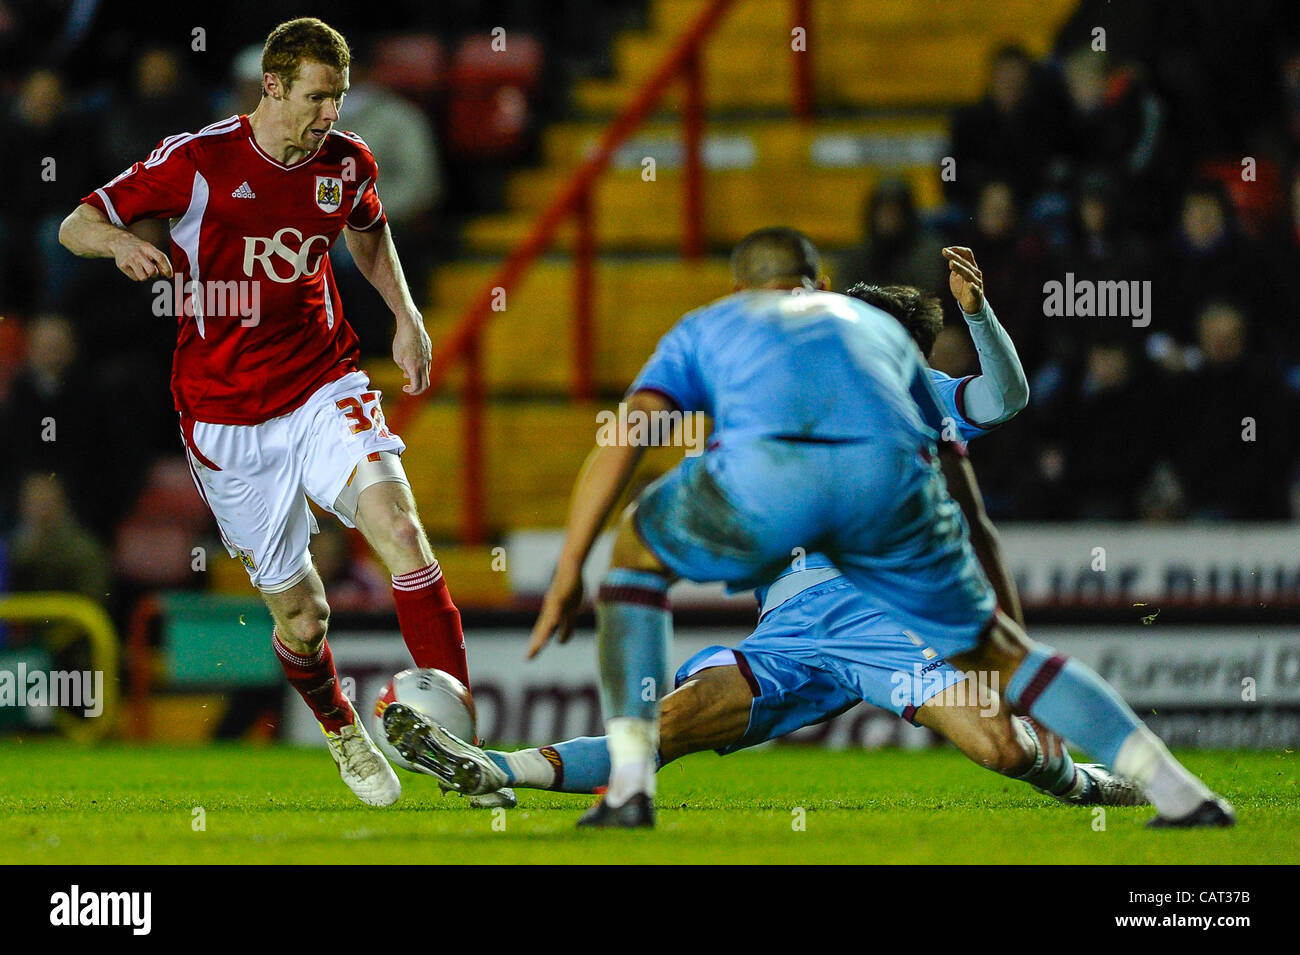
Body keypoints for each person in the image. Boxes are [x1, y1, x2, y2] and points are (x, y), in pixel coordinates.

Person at [521, 227, 1232, 828]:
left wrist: (571, 571)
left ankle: (1116, 781)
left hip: (886, 602)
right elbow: (970, 498)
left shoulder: (847, 372)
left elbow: (1003, 401)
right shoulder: (819, 369)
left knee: (1004, 749)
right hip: (796, 628)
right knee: (673, 713)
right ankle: (508, 768)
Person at [58, 17, 479, 808]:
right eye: (318, 97)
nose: (330, 114)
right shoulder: (197, 159)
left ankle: (459, 726)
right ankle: (341, 725)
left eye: (340, 98)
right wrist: (119, 246)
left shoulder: (346, 163)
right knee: (303, 615)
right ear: (273, 87)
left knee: (400, 526)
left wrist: (408, 316)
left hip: (322, 381)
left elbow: (370, 231)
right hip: (225, 416)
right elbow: (76, 222)